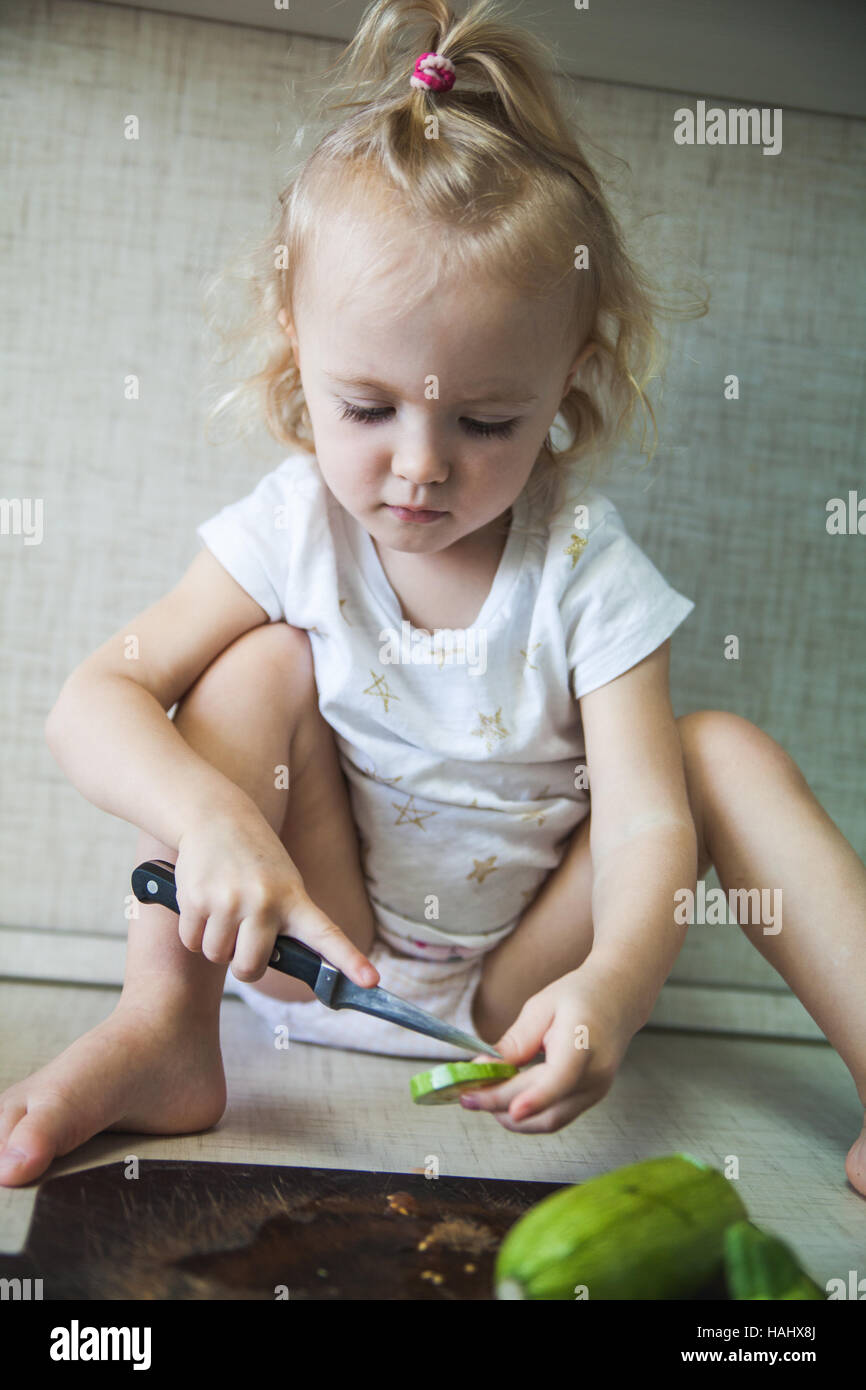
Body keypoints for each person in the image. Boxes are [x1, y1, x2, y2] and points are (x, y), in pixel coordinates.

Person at [2, 0, 864, 1194]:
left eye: (484, 420)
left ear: (567, 382)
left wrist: (611, 984)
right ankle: (164, 1029)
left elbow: (646, 827)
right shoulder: (295, 525)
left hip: (520, 983)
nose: (419, 465)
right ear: (291, 341)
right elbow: (92, 699)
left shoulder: (582, 567)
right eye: (367, 409)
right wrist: (211, 822)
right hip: (313, 936)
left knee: (711, 751)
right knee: (257, 663)